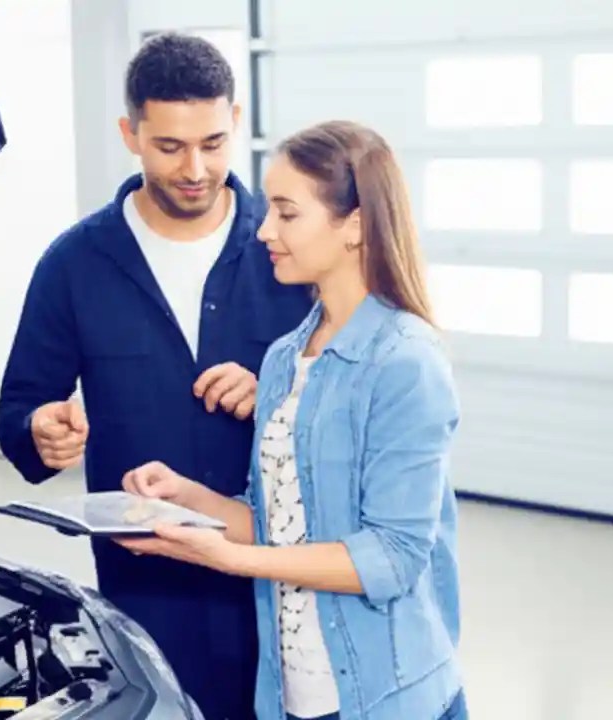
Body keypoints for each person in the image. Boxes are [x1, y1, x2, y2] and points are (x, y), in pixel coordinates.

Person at [0, 32, 314, 720]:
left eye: (214, 142)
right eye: (170, 146)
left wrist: (275, 395)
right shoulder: (74, 264)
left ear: (235, 122)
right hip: (146, 590)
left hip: (278, 577)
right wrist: (40, 432)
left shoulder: (289, 250)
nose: (197, 168)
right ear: (130, 134)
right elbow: (21, 408)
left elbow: (350, 402)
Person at [115, 120, 469, 720]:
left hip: (388, 698)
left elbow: (393, 556)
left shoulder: (405, 360)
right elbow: (277, 525)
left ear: (354, 225)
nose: (264, 231)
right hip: (293, 697)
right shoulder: (283, 359)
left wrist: (227, 560)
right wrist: (188, 501)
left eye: (286, 213)